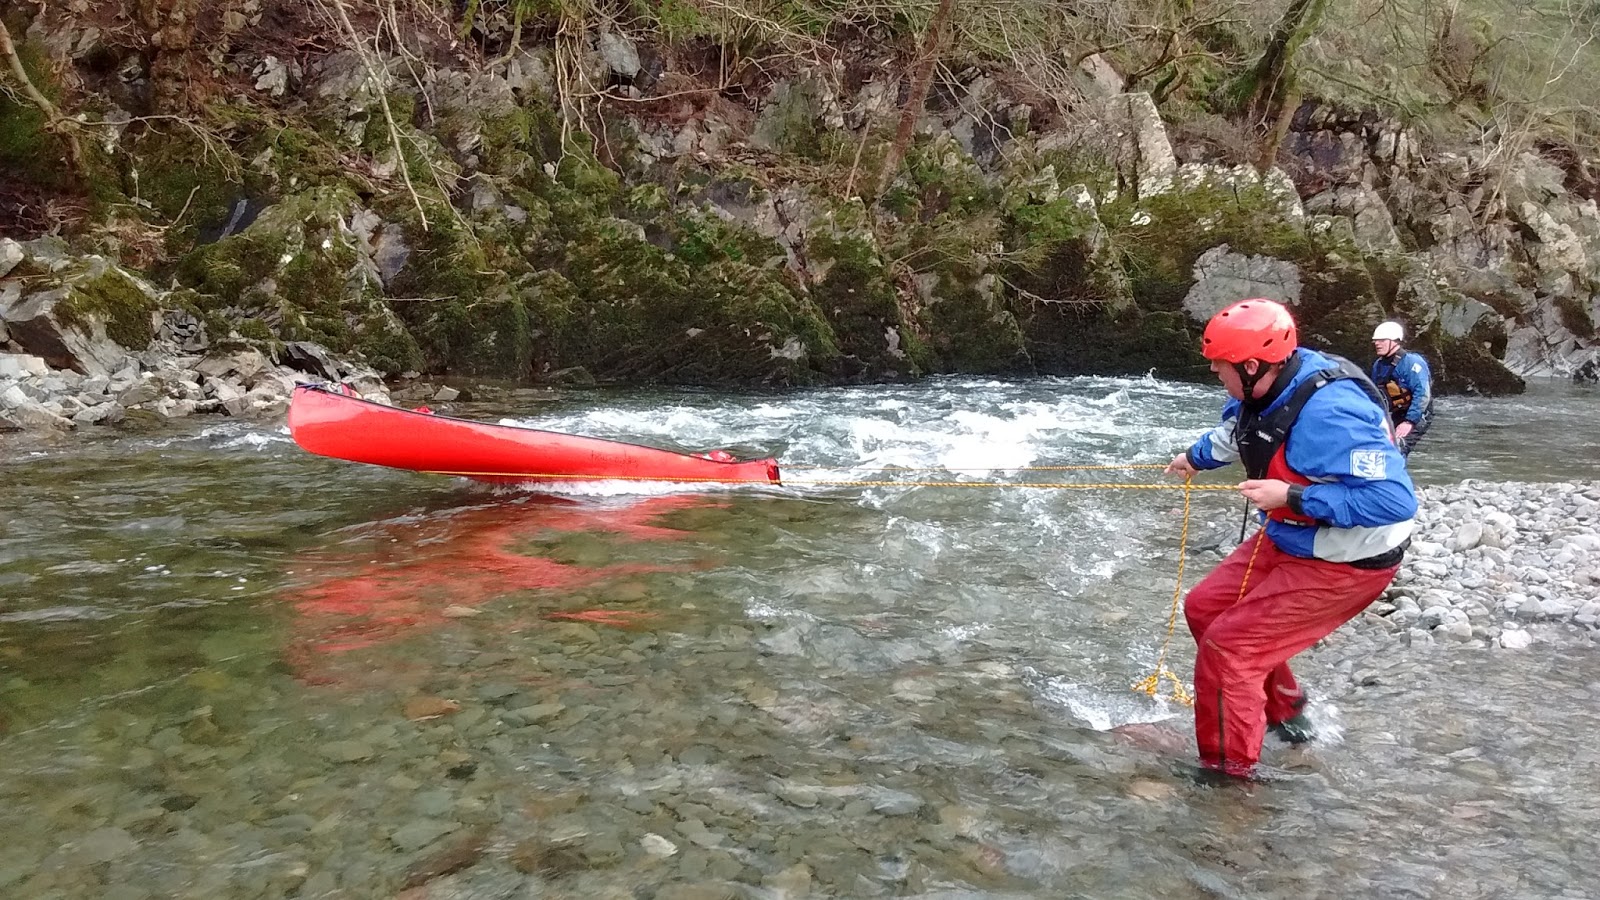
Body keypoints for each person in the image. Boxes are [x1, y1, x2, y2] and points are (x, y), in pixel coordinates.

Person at [1165, 299, 1417, 781]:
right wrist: (1194, 458)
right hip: (1293, 534)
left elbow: (1394, 501)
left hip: (1350, 557)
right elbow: (1241, 430)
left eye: (1220, 364)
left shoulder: (1332, 414)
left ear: (1252, 366)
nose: (1214, 370)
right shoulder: (1267, 384)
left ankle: (1229, 778)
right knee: (1204, 608)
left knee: (1229, 650)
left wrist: (1293, 496)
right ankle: (1287, 713)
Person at [1370, 321, 1433, 456]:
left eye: (1382, 340)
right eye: (1375, 340)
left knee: (1397, 448)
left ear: (1395, 341)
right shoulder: (1378, 365)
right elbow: (1376, 397)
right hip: (1395, 413)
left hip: (1417, 414)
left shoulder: (1411, 362)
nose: (1377, 343)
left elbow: (1422, 394)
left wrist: (1409, 421)